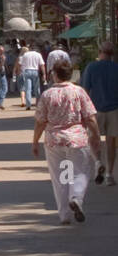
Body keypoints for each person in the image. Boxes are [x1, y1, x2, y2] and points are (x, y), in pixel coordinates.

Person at [32, 58, 101, 224]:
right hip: (77, 139)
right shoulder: (79, 92)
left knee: (61, 177)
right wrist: (96, 136)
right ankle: (76, 197)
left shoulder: (47, 95)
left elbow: (40, 121)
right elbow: (90, 118)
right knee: (80, 172)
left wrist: (34, 142)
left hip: (55, 141)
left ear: (55, 75)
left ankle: (64, 214)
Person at [81, 42, 118, 186]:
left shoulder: (91, 67)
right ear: (112, 54)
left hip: (95, 110)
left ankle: (97, 162)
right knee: (111, 142)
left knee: (93, 140)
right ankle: (109, 174)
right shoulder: (116, 68)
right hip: (114, 109)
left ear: (100, 52)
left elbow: (85, 90)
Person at [17, 42, 45, 108]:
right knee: (37, 88)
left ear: (29, 48)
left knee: (28, 89)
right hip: (35, 71)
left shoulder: (25, 54)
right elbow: (42, 65)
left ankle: (28, 104)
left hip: (27, 71)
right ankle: (37, 103)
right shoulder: (38, 54)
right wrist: (44, 74)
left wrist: (21, 71)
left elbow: (20, 64)